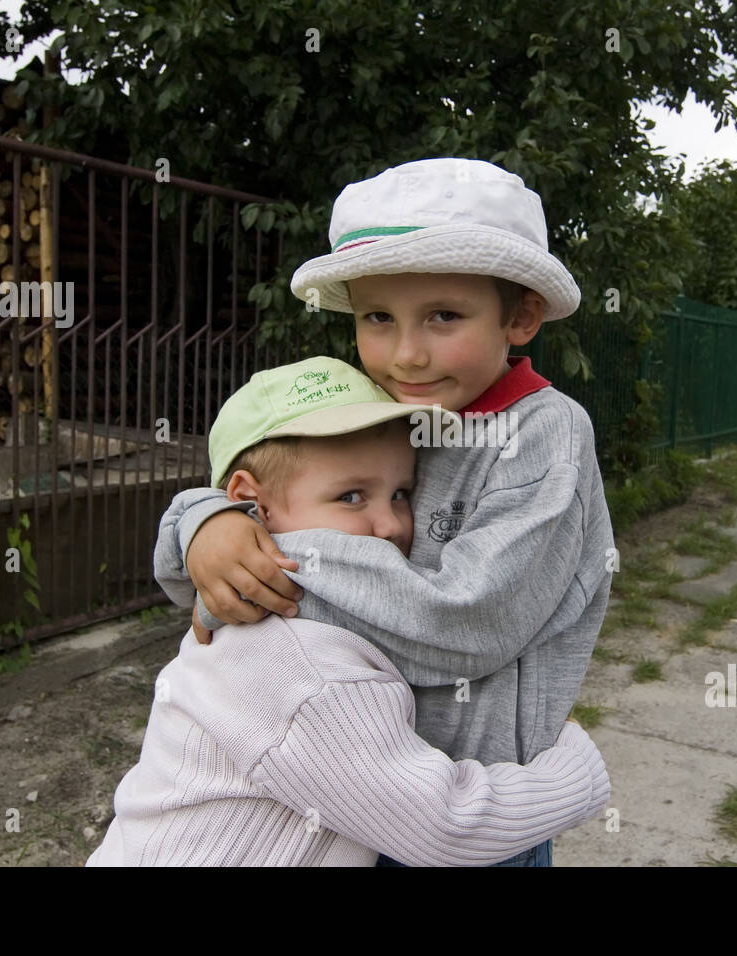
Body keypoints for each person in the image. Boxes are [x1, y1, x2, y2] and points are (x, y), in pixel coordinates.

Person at [154, 157, 615, 866]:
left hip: (481, 809)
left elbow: (470, 619)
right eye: (378, 317)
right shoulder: (388, 410)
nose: (406, 353)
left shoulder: (545, 435)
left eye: (444, 316)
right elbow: (278, 478)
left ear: (520, 316)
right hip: (364, 789)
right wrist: (207, 522)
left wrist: (267, 561)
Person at [89, 357, 610, 866]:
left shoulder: (286, 612)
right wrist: (576, 771)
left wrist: (200, 517)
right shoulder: (303, 665)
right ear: (252, 503)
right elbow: (444, 826)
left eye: (401, 493)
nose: (390, 525)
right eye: (352, 495)